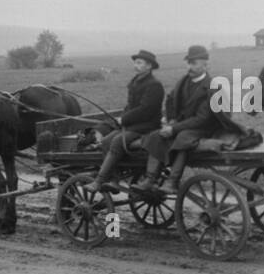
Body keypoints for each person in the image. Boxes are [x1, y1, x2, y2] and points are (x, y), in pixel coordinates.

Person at [135, 45, 219, 192]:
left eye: (194, 63)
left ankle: (172, 182)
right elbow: (170, 100)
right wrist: (172, 119)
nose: (189, 67)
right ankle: (150, 178)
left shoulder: (211, 87)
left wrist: (174, 128)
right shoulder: (183, 82)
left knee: (183, 137)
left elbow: (202, 118)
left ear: (206, 65)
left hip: (204, 127)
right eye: (188, 63)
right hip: (182, 124)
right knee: (155, 136)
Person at [85, 50, 164, 194]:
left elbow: (145, 110)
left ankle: (99, 180)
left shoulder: (154, 85)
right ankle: (114, 180)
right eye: (135, 62)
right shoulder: (135, 82)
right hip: (133, 125)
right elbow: (130, 105)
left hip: (147, 126)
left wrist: (125, 119)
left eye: (139, 63)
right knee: (105, 142)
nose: (136, 65)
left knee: (117, 141)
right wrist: (120, 119)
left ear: (149, 66)